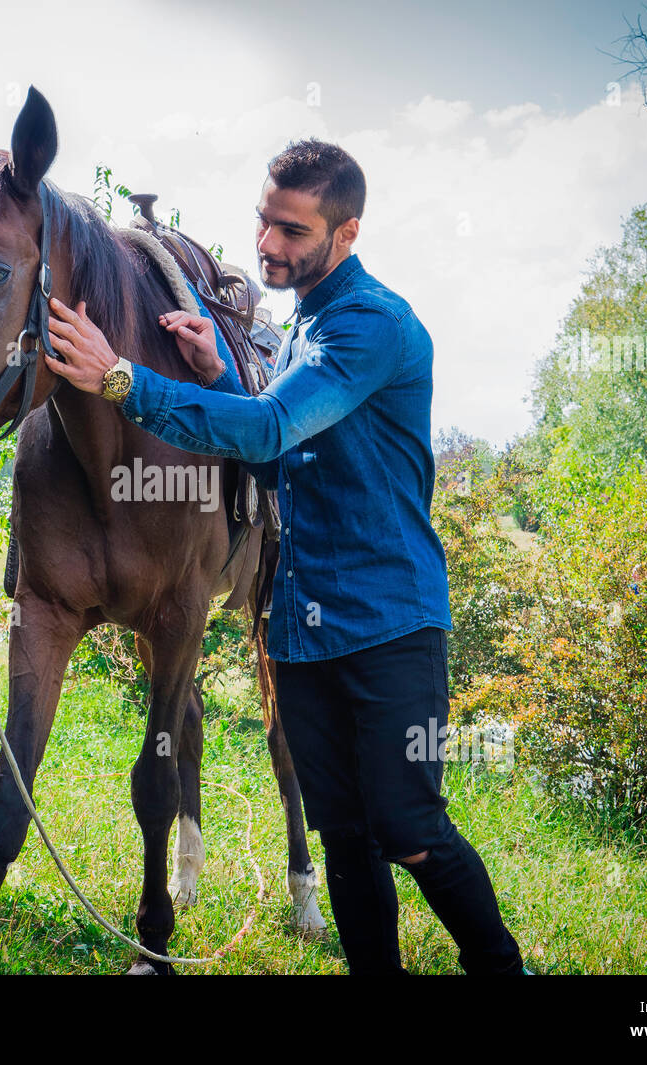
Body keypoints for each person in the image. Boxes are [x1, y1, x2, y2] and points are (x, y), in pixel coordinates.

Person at [42, 138, 530, 975]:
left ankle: (503, 966)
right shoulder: (302, 323)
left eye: (292, 230)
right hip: (301, 629)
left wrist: (122, 379)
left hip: (389, 621)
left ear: (345, 235)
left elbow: (269, 428)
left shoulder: (372, 324)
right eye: (263, 220)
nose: (268, 244)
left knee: (409, 830)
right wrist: (225, 372)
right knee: (344, 835)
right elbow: (276, 454)